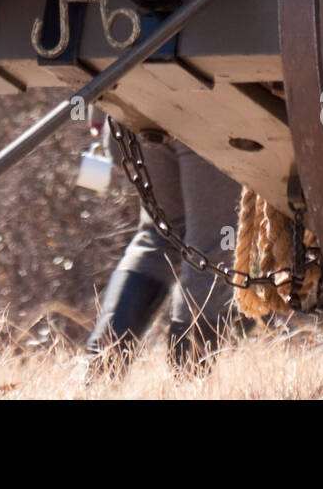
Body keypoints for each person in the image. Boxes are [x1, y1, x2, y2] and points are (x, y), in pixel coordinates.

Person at [83, 117, 242, 373]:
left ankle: (101, 368)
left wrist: (100, 117)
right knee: (211, 247)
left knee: (159, 236)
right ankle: (189, 378)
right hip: (208, 110)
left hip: (134, 108)